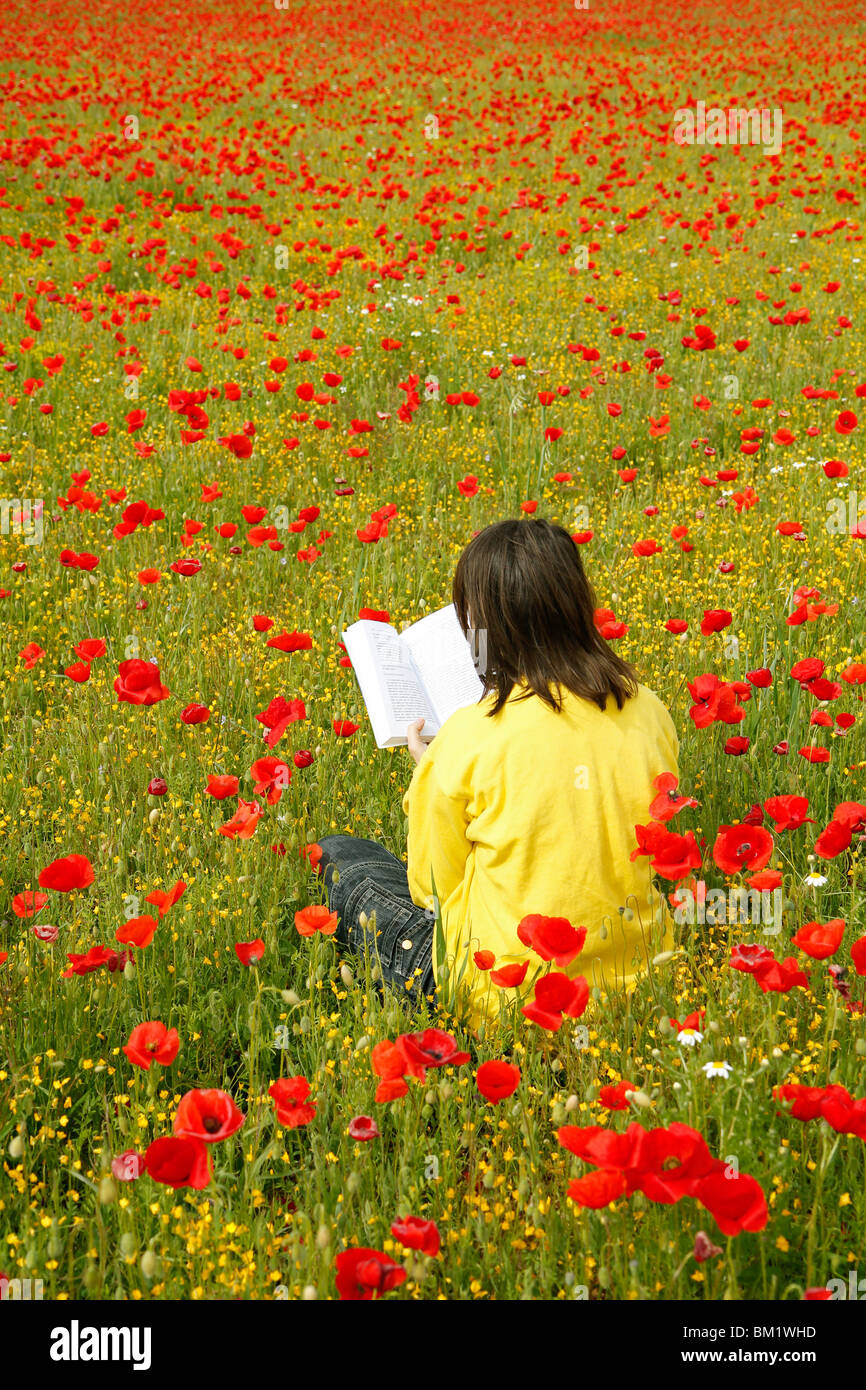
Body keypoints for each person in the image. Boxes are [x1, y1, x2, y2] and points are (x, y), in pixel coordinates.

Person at [314, 517, 679, 1028]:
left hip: (502, 999)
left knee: (341, 856)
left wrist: (429, 775)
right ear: (577, 604)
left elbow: (432, 892)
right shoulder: (650, 711)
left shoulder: (468, 736)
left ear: (482, 631)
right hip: (637, 987)